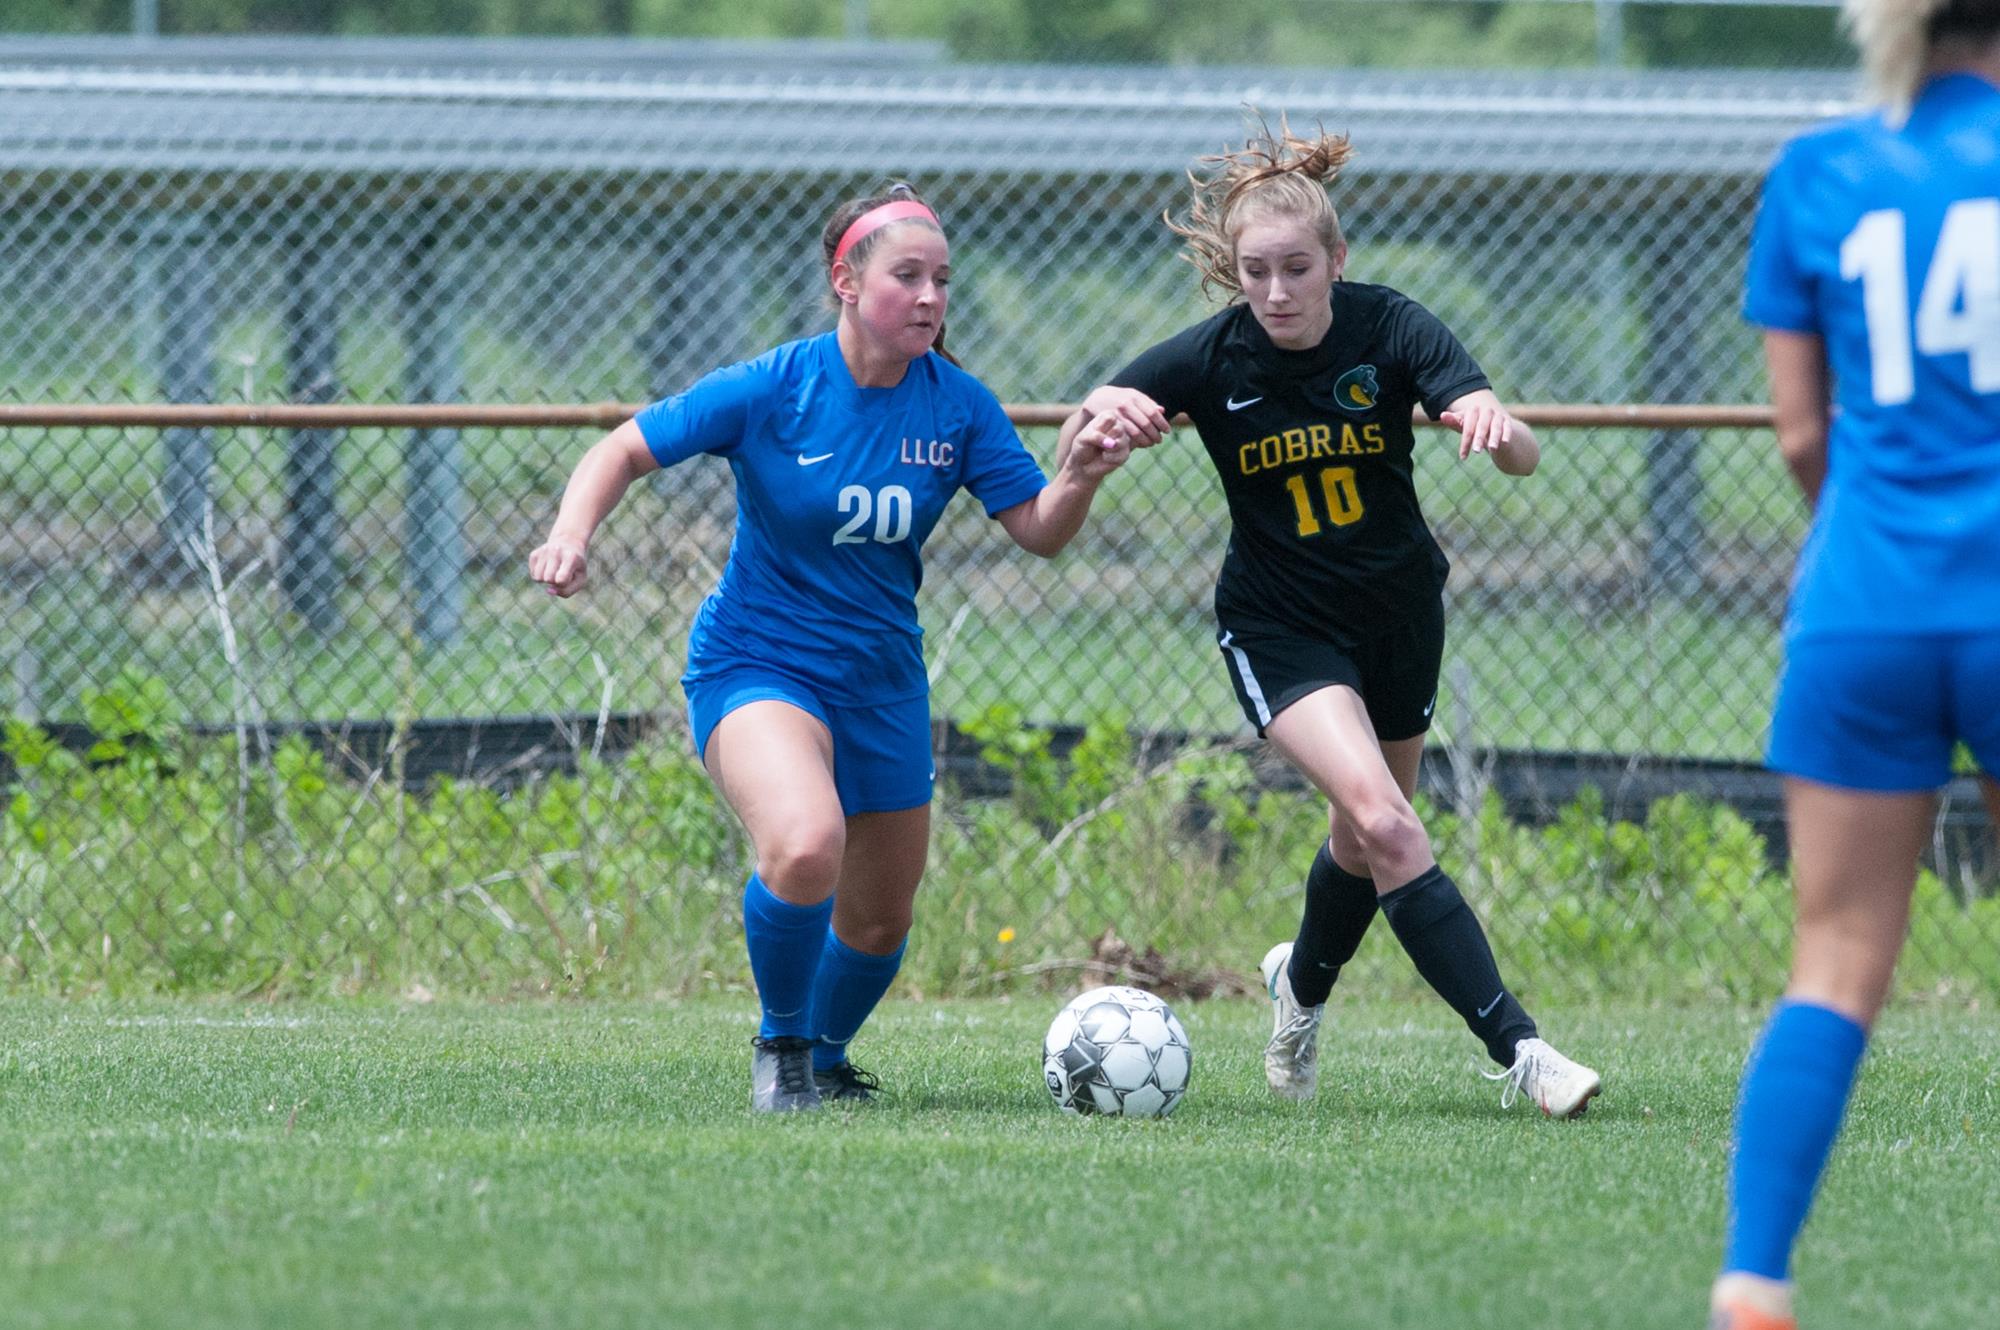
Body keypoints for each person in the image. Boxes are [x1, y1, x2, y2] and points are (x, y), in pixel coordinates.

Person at [529, 183, 1133, 1113]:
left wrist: (1079, 474)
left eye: (941, 279)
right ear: (844, 281)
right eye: (906, 277)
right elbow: (619, 451)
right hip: (757, 665)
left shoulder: (959, 408)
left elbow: (1040, 530)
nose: (930, 297)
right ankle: (781, 1056)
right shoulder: (774, 386)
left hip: (882, 684)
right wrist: (573, 534)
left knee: (881, 919)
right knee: (806, 843)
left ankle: (824, 1053)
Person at [1074, 123, 1602, 1117]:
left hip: (1398, 616)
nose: (1274, 291)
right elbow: (1091, 408)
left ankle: (1298, 994)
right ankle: (1522, 1052)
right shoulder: (1213, 356)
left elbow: (1515, 442)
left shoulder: (1390, 327)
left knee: (1362, 841)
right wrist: (1108, 414)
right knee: (1386, 820)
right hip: (1280, 629)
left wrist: (1497, 430)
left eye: (1293, 268)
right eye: (1253, 272)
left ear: (1335, 262)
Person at [1712, 1, 2000, 1325]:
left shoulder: (1820, 170)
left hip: (1865, 603)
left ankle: (1754, 1284)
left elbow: (1796, 442)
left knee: (1832, 962)